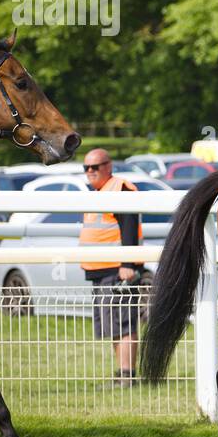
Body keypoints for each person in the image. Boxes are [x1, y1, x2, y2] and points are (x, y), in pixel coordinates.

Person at [79, 149, 144, 385]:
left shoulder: (120, 188)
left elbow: (129, 228)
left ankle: (127, 375)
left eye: (94, 167)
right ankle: (121, 374)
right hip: (101, 269)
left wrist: (127, 263)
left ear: (109, 166)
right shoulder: (100, 191)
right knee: (112, 325)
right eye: (86, 168)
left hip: (117, 269)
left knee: (123, 322)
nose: (89, 172)